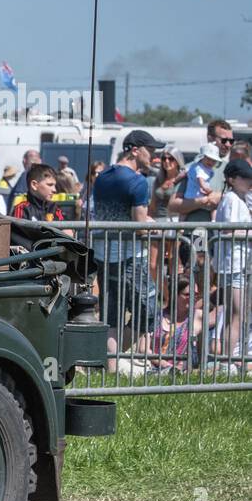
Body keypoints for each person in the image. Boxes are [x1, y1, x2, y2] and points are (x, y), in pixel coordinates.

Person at [93, 129, 164, 372]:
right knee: (151, 311)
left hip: (103, 254)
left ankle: (111, 366)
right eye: (150, 150)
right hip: (130, 257)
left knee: (111, 315)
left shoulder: (102, 177)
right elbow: (139, 227)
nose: (153, 156)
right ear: (135, 150)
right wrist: (154, 227)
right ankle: (127, 361)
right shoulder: (138, 181)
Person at [212, 156, 252, 360]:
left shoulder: (240, 199)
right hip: (232, 263)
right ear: (232, 179)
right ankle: (229, 361)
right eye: (245, 178)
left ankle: (230, 359)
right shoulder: (231, 199)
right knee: (237, 314)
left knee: (235, 314)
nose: (249, 182)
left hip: (238, 263)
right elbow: (228, 231)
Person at [169, 119, 233, 222]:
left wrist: (220, 197)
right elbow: (173, 206)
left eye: (231, 141)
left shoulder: (231, 169)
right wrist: (202, 201)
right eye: (224, 140)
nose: (228, 145)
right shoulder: (191, 168)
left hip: (218, 236)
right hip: (190, 234)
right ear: (210, 138)